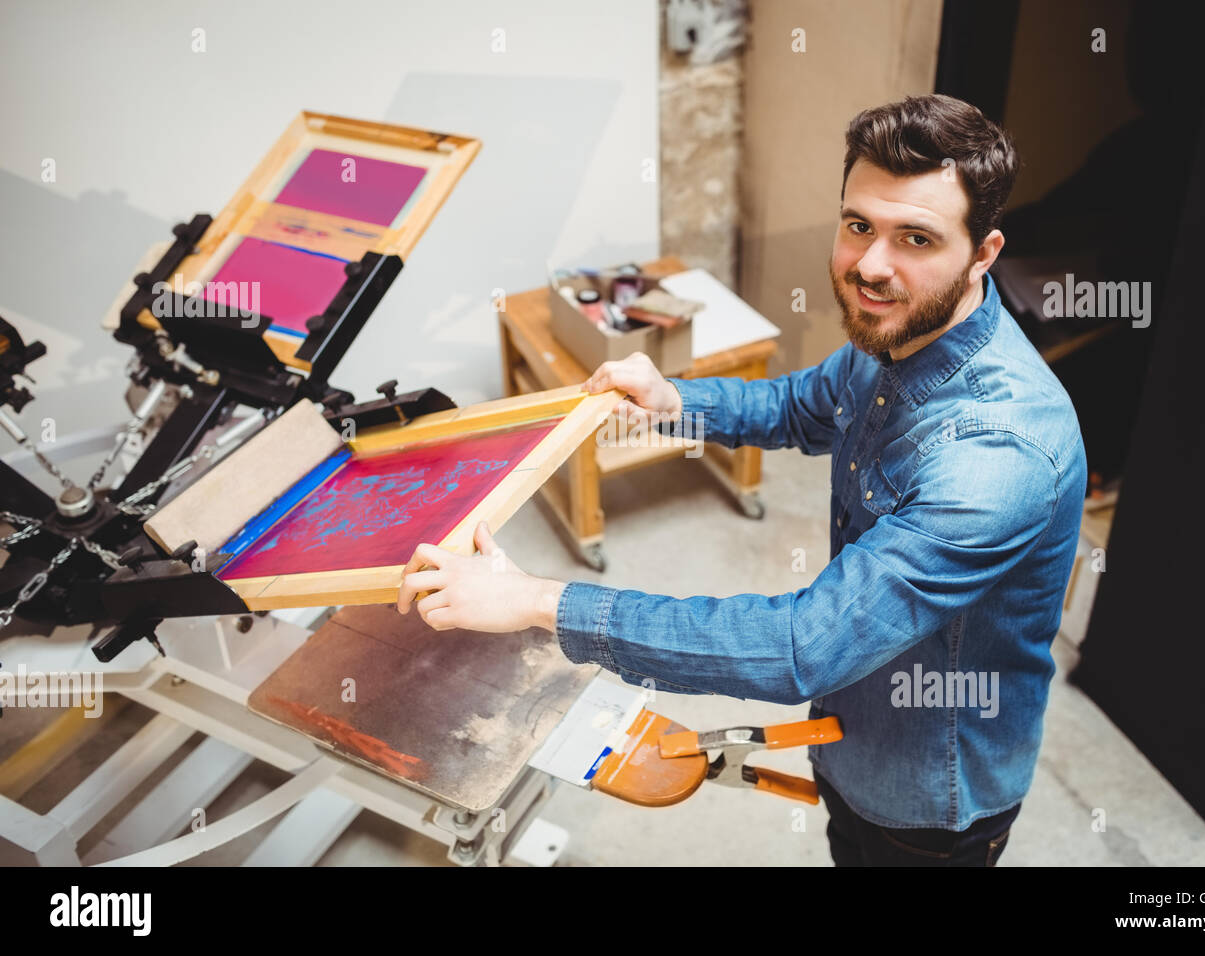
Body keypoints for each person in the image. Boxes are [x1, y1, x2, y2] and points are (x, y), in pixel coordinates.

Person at [398, 94, 1086, 867]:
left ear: (984, 253)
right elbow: (798, 406)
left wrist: (536, 601)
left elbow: (803, 646)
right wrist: (674, 402)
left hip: (927, 796)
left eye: (916, 238)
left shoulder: (1000, 457)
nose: (870, 266)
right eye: (858, 224)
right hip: (851, 737)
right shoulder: (899, 333)